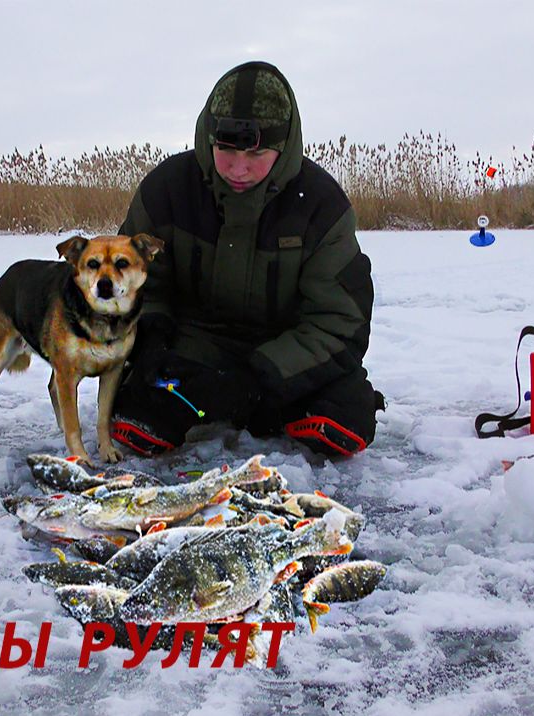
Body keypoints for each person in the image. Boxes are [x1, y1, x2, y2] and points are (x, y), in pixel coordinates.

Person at [109, 61, 383, 459]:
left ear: (284, 146)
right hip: (194, 356)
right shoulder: (166, 190)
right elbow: (134, 287)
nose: (238, 168)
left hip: (283, 359)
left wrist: (257, 378)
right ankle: (200, 404)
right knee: (139, 413)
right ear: (208, 138)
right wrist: (150, 342)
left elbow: (339, 321)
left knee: (347, 415)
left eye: (256, 152)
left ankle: (267, 409)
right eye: (225, 150)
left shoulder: (322, 206)